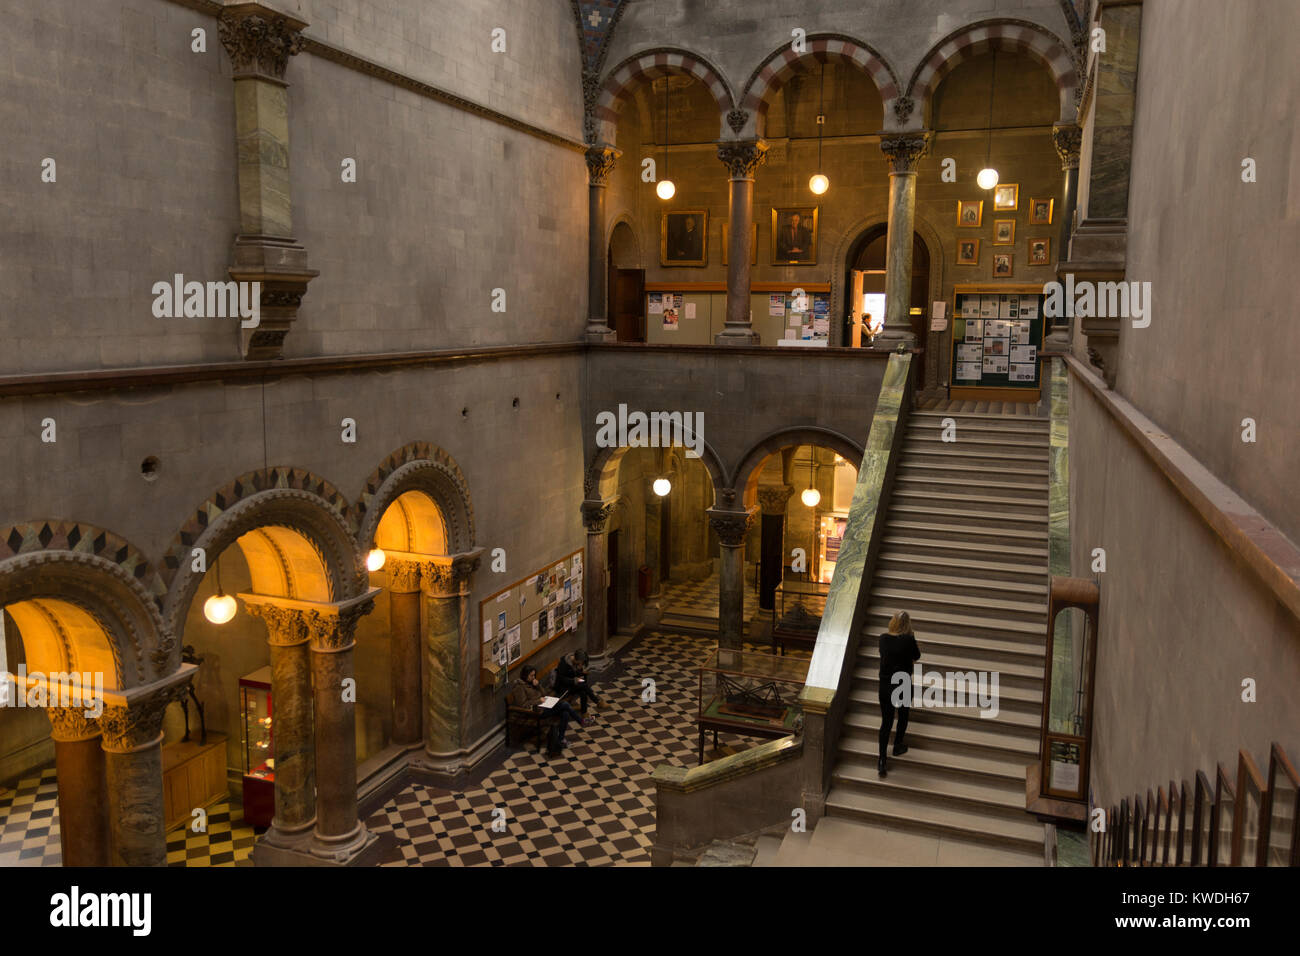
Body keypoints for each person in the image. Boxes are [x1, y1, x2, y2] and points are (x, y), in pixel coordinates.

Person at [877, 611, 921, 777]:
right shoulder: (909, 640)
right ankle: (897, 745)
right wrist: (911, 638)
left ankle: (882, 759)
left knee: (886, 722)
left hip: (885, 684)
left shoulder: (883, 638)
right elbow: (917, 656)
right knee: (902, 715)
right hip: (902, 683)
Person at [509, 665, 581, 756]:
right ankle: (581, 721)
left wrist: (538, 685)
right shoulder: (519, 687)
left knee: (565, 713)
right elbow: (523, 704)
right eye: (531, 675)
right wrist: (538, 701)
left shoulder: (532, 683)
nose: (533, 677)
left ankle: (561, 739)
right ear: (525, 675)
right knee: (564, 705)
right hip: (535, 712)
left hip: (544, 706)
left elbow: (544, 694)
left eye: (534, 675)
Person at [556, 648, 602, 724]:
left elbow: (577, 676)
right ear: (576, 658)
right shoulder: (564, 663)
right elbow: (561, 679)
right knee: (583, 686)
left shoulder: (576, 663)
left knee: (583, 691)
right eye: (580, 663)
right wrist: (573, 680)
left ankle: (584, 713)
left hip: (572, 685)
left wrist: (580, 671)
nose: (581, 664)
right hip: (563, 687)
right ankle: (596, 701)